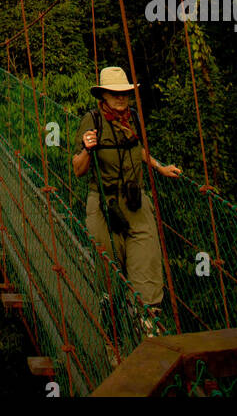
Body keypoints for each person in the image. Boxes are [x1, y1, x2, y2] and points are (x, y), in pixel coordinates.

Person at [73, 66, 181, 335]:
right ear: (104, 96)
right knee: (109, 274)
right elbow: (78, 169)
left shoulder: (132, 117)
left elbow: (137, 150)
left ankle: (148, 332)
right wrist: (88, 149)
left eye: (124, 93)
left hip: (135, 202)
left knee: (147, 264)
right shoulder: (92, 120)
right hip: (103, 204)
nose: (121, 98)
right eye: (115, 93)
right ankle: (113, 331)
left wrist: (159, 167)